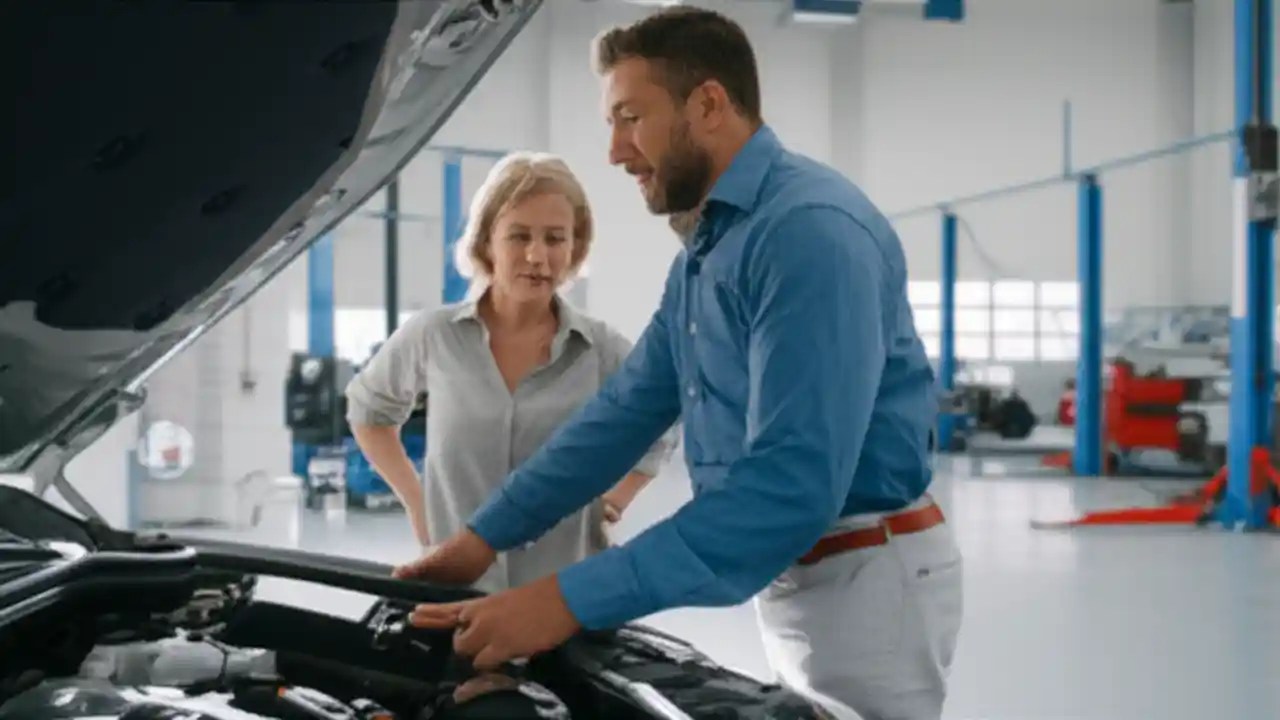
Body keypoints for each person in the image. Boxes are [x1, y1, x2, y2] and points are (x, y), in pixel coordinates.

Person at [395, 8, 964, 720]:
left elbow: (791, 485)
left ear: (709, 104)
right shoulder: (712, 246)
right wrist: (482, 539)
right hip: (803, 574)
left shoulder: (810, 236)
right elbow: (624, 413)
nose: (614, 150)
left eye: (629, 116)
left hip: (868, 585)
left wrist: (565, 599)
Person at [344, 151, 674, 594]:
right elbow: (369, 411)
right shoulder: (433, 335)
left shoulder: (602, 349)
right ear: (486, 243)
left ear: (575, 248)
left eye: (556, 239)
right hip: (458, 593)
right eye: (519, 236)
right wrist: (417, 502)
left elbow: (660, 426)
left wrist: (615, 501)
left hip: (562, 596)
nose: (537, 256)